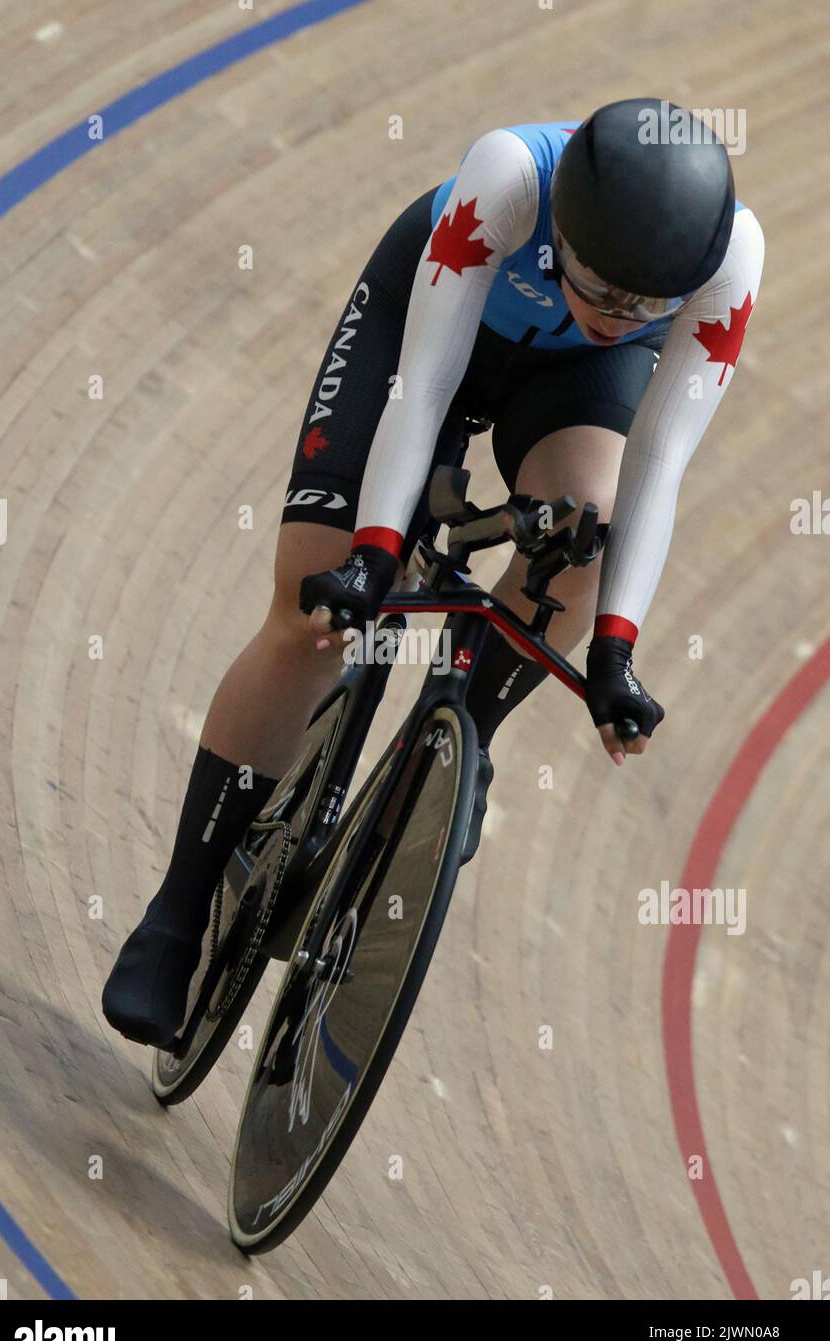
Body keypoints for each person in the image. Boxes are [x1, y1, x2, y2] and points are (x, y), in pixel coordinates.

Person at [102, 98, 764, 1046]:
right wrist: (373, 558)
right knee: (311, 615)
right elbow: (421, 387)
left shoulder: (730, 261)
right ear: (563, 235)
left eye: (647, 308)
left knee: (591, 530)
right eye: (603, 291)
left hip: (571, 385)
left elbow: (660, 463)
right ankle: (176, 915)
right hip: (431, 335)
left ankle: (463, 736)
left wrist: (616, 650)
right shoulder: (507, 181)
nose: (621, 320)